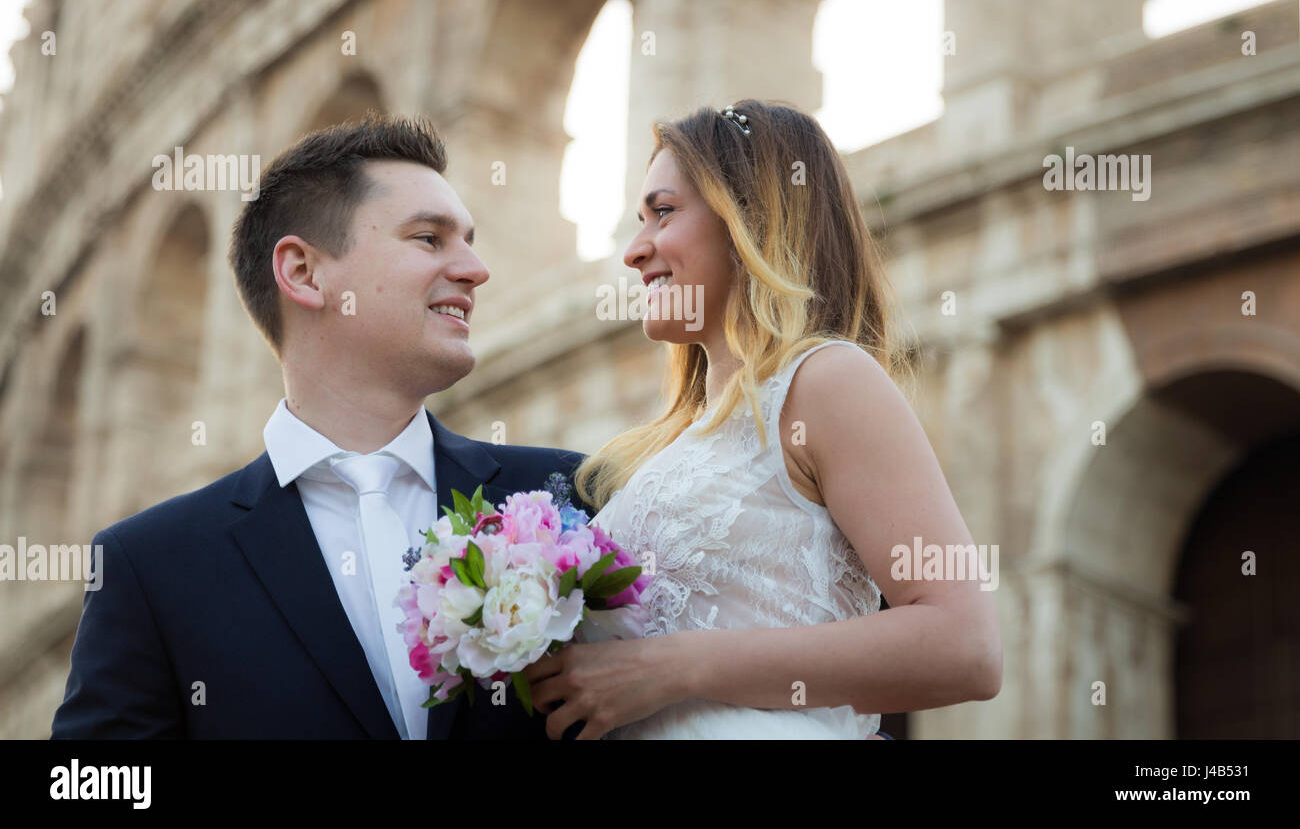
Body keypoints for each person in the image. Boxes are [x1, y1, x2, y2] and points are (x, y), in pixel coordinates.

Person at [51, 112, 589, 739]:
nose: (476, 268)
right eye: (429, 238)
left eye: (469, 238)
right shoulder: (150, 565)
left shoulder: (564, 493)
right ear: (304, 273)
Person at [522, 100, 1002, 738]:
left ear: (749, 217)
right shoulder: (676, 443)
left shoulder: (826, 379)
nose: (635, 252)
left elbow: (964, 645)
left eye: (662, 212)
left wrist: (673, 667)